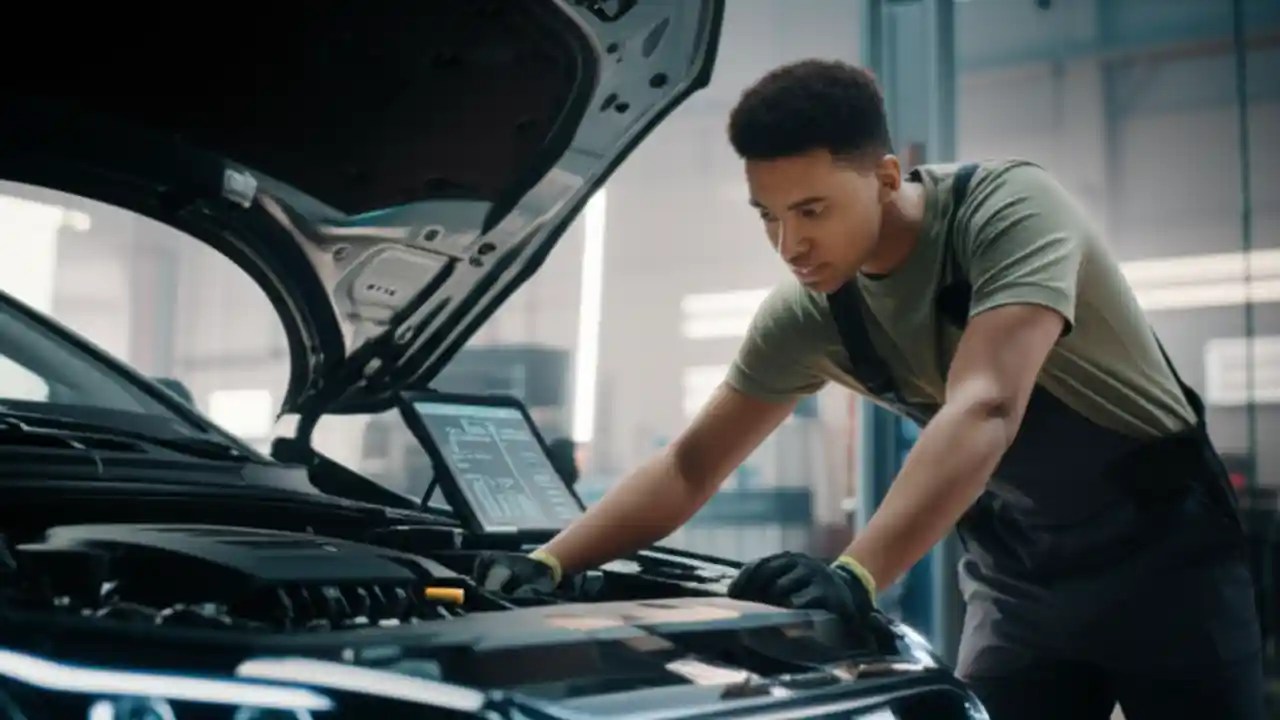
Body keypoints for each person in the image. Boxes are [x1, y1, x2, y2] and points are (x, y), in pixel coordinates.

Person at [472, 59, 1266, 718]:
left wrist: (854, 574)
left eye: (811, 210)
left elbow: (987, 403)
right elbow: (690, 466)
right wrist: (549, 561)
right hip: (1020, 582)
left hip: (1169, 564)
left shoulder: (1008, 212)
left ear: (886, 177)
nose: (789, 244)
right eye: (768, 216)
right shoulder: (808, 313)